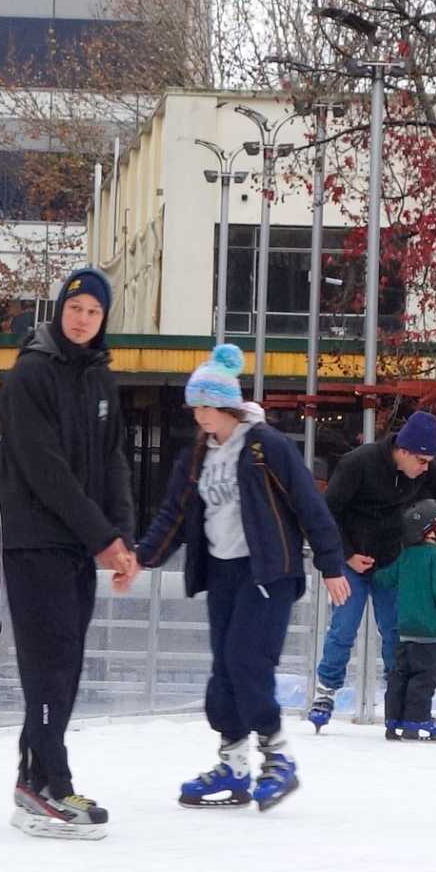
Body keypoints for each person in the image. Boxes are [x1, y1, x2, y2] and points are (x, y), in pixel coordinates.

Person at [132, 345, 350, 813]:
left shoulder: (263, 445)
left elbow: (308, 504)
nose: (200, 417)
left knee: (246, 660)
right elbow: (174, 512)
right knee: (223, 670)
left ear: (226, 405)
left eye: (206, 407)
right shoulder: (197, 455)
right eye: (196, 409)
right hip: (223, 571)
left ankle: (278, 757)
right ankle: (233, 764)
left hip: (268, 569)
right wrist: (141, 558)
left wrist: (331, 565)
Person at [0, 265, 139, 839]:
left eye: (94, 312)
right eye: (76, 309)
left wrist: (121, 535)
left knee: (66, 663)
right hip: (34, 542)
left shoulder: (100, 378)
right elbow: (43, 468)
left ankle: (33, 777)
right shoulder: (31, 374)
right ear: (60, 310)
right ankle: (51, 782)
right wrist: (100, 536)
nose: (83, 320)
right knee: (50, 665)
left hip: (77, 545)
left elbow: (114, 460)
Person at [307, 409, 436, 730]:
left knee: (394, 632)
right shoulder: (357, 464)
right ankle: (325, 691)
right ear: (403, 451)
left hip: (392, 562)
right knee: (343, 628)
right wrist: (346, 556)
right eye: (421, 461)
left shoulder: (421, 470)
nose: (425, 469)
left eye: (428, 463)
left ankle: (399, 697)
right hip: (352, 560)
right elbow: (326, 515)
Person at [381, 497, 436, 742]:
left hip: (404, 630)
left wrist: (367, 568)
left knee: (400, 676)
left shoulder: (406, 556)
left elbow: (384, 579)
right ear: (428, 530)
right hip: (430, 633)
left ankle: (393, 720)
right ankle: (417, 721)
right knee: (424, 679)